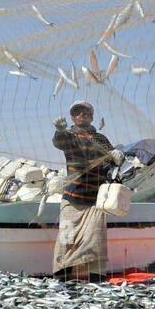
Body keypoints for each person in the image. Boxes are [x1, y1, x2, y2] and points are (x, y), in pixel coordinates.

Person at [51, 100, 123, 282]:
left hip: (95, 202)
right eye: (77, 112)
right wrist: (59, 131)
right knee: (65, 241)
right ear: (72, 117)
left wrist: (117, 156)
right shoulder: (69, 136)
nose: (82, 114)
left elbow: (115, 161)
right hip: (71, 199)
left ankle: (96, 283)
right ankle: (61, 281)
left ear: (91, 116)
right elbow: (59, 142)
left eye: (85, 112)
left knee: (95, 244)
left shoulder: (101, 139)